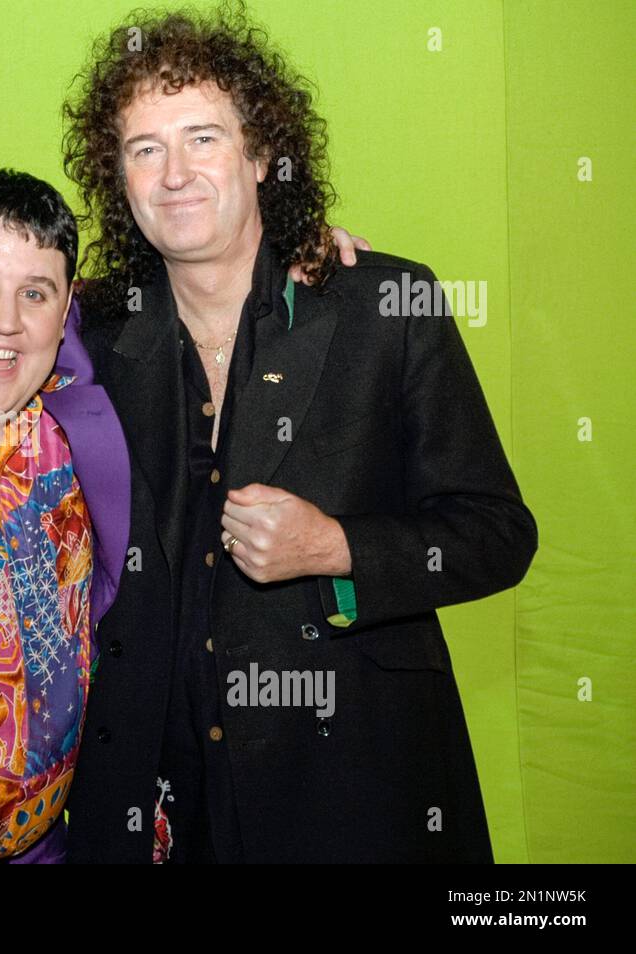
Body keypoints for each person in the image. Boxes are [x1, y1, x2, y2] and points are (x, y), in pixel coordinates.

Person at [59, 5, 537, 862]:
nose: (174, 173)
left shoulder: (385, 305)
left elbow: (497, 536)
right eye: (144, 148)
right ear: (117, 176)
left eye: (203, 138)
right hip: (160, 808)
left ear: (259, 155)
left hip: (358, 790)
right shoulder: (88, 335)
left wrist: (338, 547)